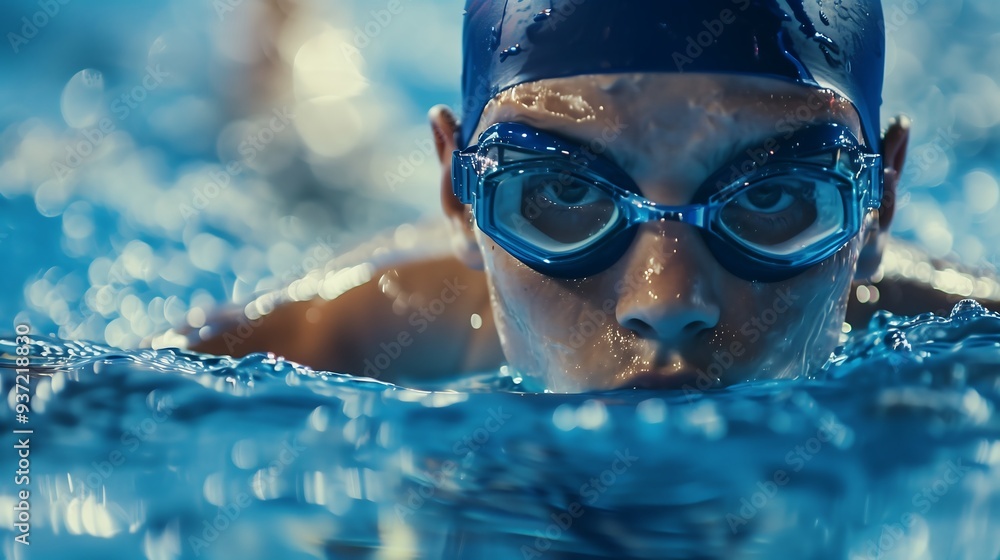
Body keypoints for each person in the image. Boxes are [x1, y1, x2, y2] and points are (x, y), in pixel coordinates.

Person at [187, 0, 998, 391]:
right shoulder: (344, 339)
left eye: (772, 197)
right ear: (459, 197)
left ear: (880, 203)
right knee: (303, 161)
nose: (667, 301)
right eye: (564, 191)